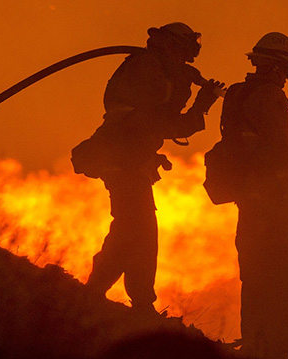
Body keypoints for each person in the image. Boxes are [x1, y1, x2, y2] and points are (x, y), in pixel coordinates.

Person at [73, 22, 222, 315]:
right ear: (169, 46)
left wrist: (187, 89)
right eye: (182, 53)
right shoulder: (145, 68)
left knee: (131, 229)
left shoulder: (158, 70)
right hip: (121, 158)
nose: (184, 60)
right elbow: (157, 121)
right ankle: (138, 302)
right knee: (139, 230)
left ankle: (98, 289)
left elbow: (162, 117)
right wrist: (199, 106)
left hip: (131, 159)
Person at [217, 32, 288, 359]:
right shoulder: (270, 98)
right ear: (274, 67)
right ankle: (275, 357)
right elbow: (280, 156)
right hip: (273, 203)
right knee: (283, 279)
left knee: (254, 275)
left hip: (247, 201)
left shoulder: (240, 95)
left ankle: (255, 346)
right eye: (286, 68)